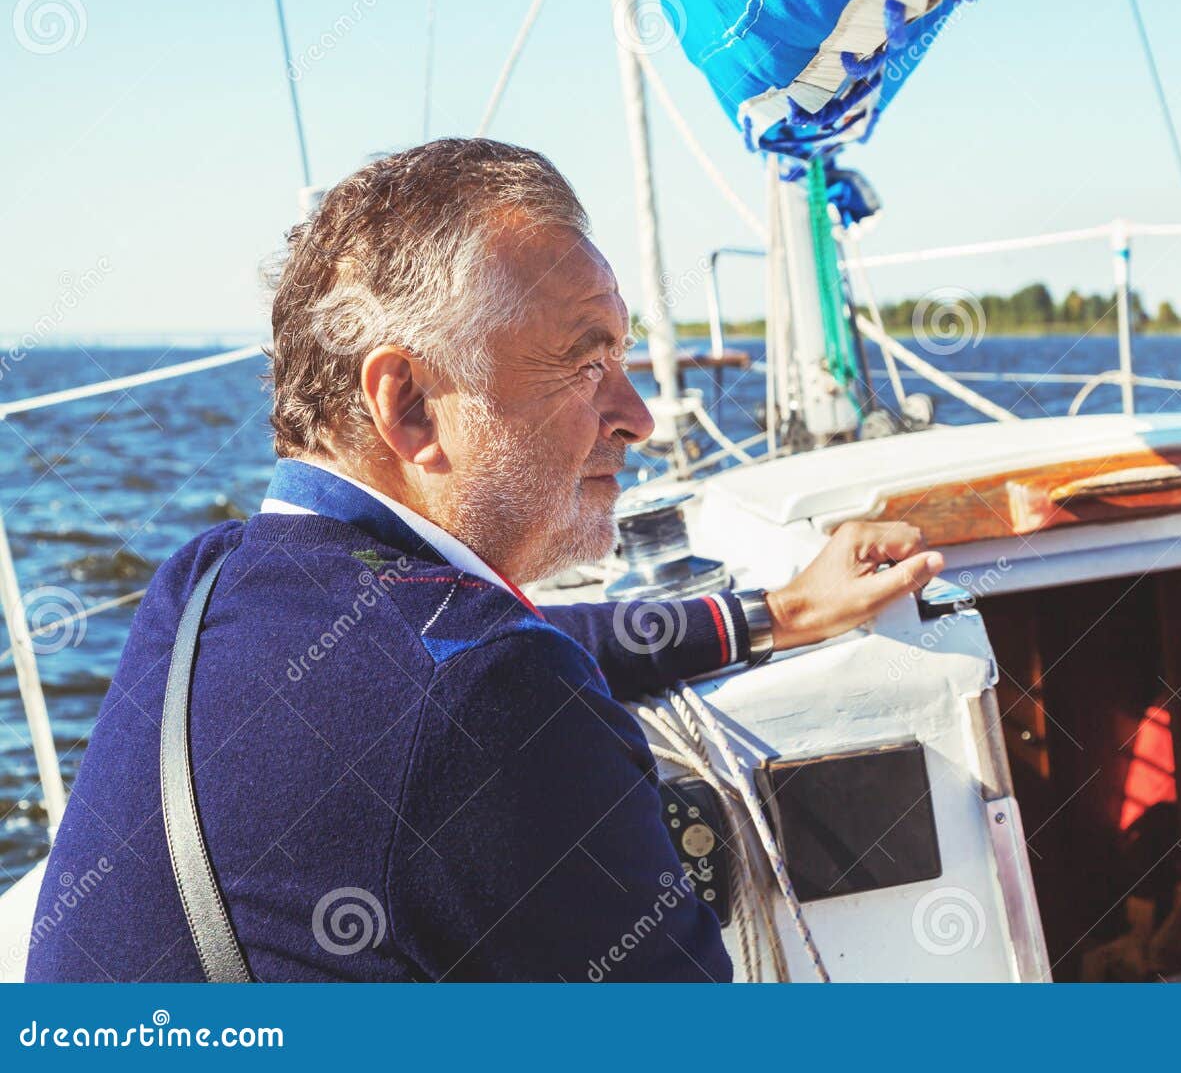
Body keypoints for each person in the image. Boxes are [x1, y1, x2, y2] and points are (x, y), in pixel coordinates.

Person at [27, 139, 943, 982]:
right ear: (412, 405)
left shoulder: (205, 581)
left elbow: (491, 646)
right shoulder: (494, 695)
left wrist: (776, 613)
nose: (637, 415)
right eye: (586, 363)